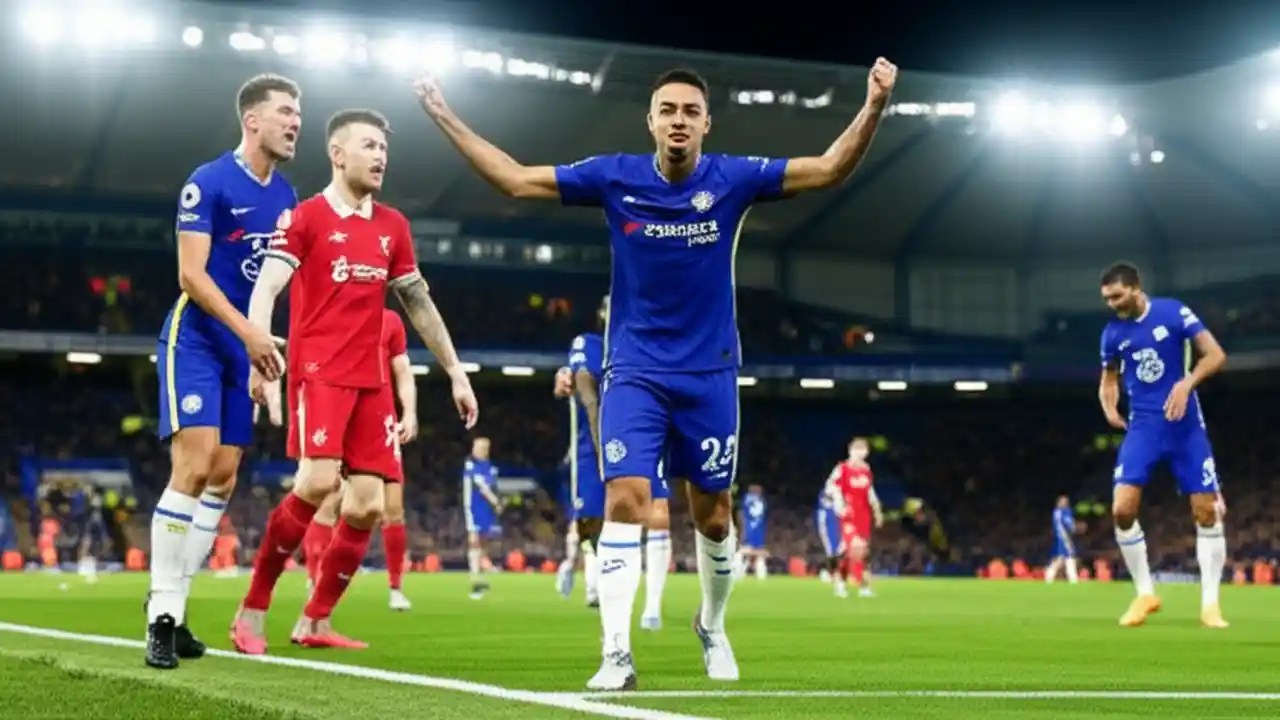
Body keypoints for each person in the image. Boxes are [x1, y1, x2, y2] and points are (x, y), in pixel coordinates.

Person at [415, 56, 898, 689]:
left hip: (711, 373)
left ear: (706, 125)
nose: (678, 120)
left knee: (715, 517)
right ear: (650, 122)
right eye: (668, 110)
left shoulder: (734, 179)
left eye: (690, 111)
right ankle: (616, 652)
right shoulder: (614, 177)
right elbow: (513, 180)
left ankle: (712, 625)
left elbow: (829, 168)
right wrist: (444, 113)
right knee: (626, 500)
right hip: (636, 369)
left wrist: (874, 105)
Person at [229, 108, 477, 655]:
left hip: (371, 383)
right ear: (337, 154)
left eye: (384, 148)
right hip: (319, 372)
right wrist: (259, 351)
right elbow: (267, 288)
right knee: (317, 484)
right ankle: (253, 607)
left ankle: (315, 620)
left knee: (366, 506)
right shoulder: (305, 218)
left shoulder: (393, 226)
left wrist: (455, 371)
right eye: (369, 145)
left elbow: (418, 301)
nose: (381, 155)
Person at [147, 73, 299, 670]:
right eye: (284, 112)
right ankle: (161, 617)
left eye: (298, 115)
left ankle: (176, 607)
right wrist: (248, 336)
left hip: (245, 347)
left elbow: (275, 284)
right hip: (198, 342)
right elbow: (191, 276)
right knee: (195, 463)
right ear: (252, 120)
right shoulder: (206, 183)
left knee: (226, 475)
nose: (294, 124)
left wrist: (265, 359)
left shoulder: (287, 196)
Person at [1098, 261, 1228, 628]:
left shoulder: (1173, 312)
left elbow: (1216, 355)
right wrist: (1108, 404)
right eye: (1107, 299)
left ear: (1136, 287)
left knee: (1206, 511)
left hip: (1185, 427)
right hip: (1143, 428)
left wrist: (1187, 383)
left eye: (1118, 296)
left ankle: (1210, 605)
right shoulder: (1111, 334)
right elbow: (1109, 379)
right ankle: (1144, 593)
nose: (1113, 304)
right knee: (1122, 510)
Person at [303, 308, 418, 612]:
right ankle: (315, 581)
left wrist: (410, 412)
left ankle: (395, 588)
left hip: (379, 419)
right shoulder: (335, 311)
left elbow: (403, 369)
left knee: (392, 509)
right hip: (340, 411)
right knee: (328, 498)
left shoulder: (391, 321)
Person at [826, 438, 883, 598]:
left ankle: (854, 585)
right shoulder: (842, 468)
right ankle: (845, 583)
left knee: (859, 551)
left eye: (863, 450)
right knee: (856, 548)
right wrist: (840, 505)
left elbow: (869, 491)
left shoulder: (866, 470)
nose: (861, 453)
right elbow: (831, 487)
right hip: (849, 514)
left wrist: (877, 509)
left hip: (863, 514)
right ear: (850, 451)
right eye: (857, 449)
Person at [462, 437, 503, 600]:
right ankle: (474, 574)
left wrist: (494, 503)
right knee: (474, 539)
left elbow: (493, 484)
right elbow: (482, 486)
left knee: (484, 540)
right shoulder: (470, 464)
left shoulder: (490, 467)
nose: (477, 450)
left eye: (480, 447)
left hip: (485, 508)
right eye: (476, 447)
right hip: (473, 507)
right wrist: (496, 501)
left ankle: (481, 570)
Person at [816, 485, 845, 593]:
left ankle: (829, 574)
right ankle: (834, 576)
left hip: (837, 526)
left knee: (838, 552)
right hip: (828, 526)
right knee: (832, 553)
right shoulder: (826, 494)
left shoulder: (839, 493)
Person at [1044, 495, 1079, 584]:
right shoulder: (1065, 512)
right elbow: (1069, 524)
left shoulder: (1056, 512)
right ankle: (1073, 580)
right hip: (1065, 539)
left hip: (1058, 539)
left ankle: (1049, 578)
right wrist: (1076, 528)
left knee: (1061, 559)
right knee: (1067, 558)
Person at [736, 485, 768, 580]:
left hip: (751, 530)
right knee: (752, 553)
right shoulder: (761, 500)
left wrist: (741, 529)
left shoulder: (748, 499)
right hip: (755, 530)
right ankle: (760, 575)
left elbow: (741, 514)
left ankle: (739, 574)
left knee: (745, 553)